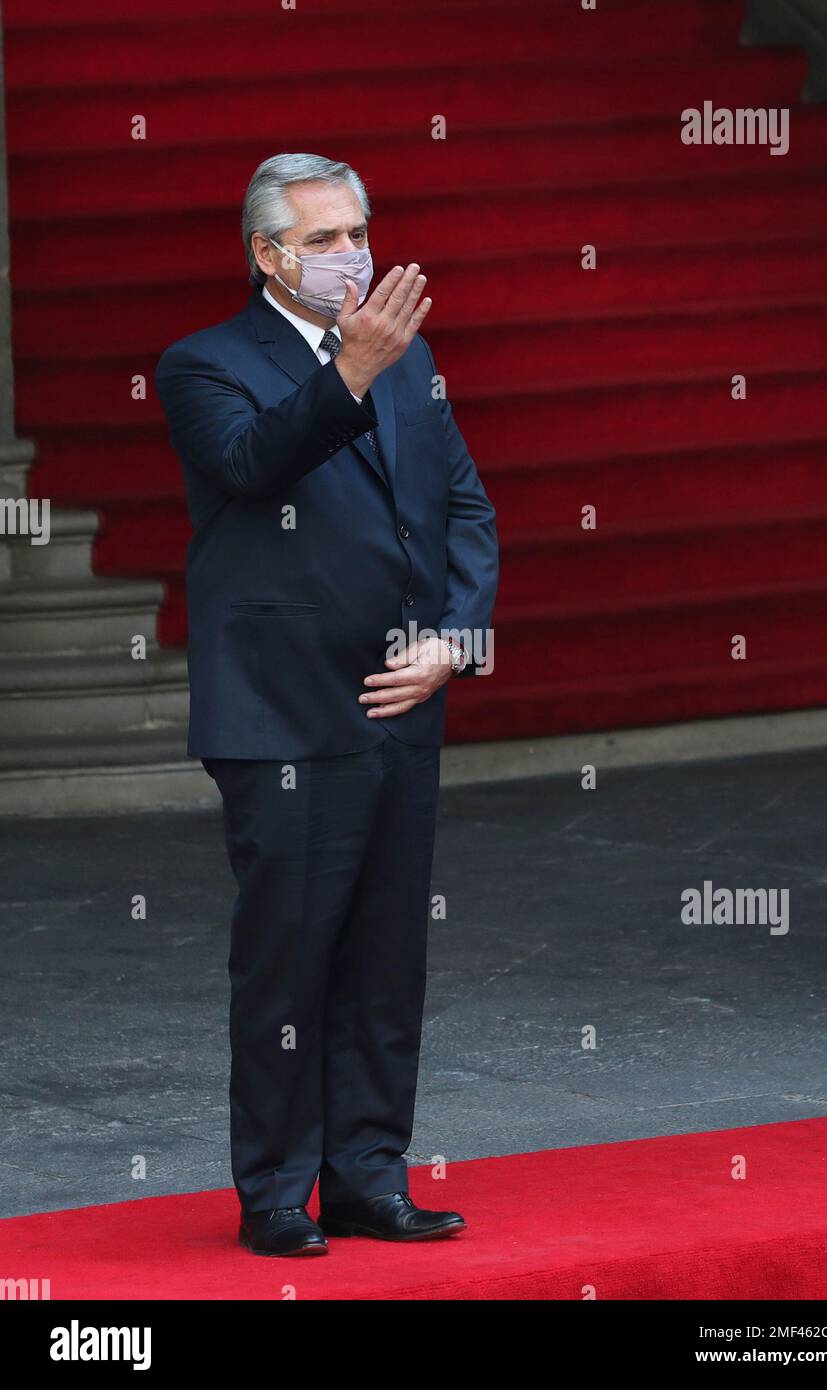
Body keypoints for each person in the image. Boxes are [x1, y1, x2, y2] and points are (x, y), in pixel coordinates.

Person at [155, 153, 499, 1255]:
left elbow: (464, 510)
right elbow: (255, 466)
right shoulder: (204, 364)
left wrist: (454, 639)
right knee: (289, 959)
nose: (350, 253)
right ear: (267, 255)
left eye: (358, 230)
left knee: (386, 954)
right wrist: (347, 372)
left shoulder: (407, 356)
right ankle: (272, 1193)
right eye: (321, 239)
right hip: (282, 712)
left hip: (402, 699)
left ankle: (367, 1175)